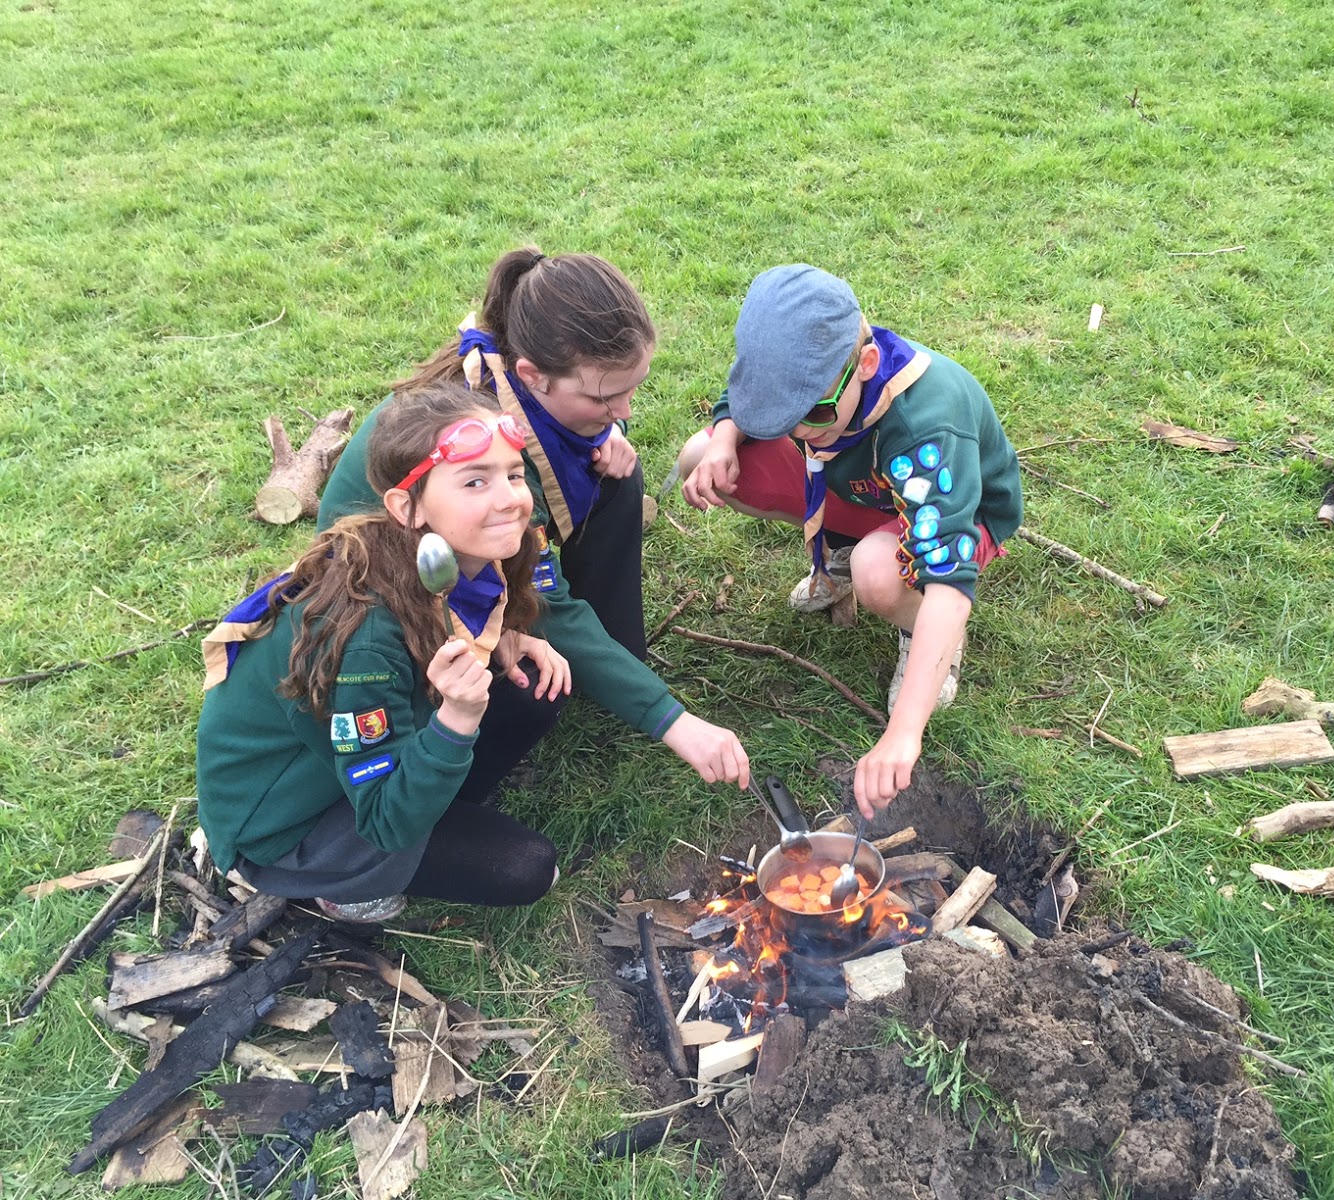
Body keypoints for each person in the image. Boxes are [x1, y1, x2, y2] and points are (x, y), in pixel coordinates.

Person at [318, 245, 750, 791]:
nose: (628, 410)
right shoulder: (495, 456)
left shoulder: (516, 383)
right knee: (528, 694)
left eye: (631, 389)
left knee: (618, 473)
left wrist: (602, 430)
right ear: (533, 376)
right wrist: (675, 722)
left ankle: (617, 661)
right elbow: (552, 605)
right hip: (398, 595)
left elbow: (581, 429)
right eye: (606, 397)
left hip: (466, 546)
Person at [198, 385, 574, 921]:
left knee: (535, 682)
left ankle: (442, 798)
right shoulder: (363, 637)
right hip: (292, 817)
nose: (510, 498)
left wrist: (508, 637)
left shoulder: (450, 555)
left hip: (363, 756)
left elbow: (460, 622)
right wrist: (458, 720)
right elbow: (382, 819)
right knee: (527, 867)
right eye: (475, 481)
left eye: (513, 474)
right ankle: (337, 884)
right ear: (407, 506)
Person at [677, 265, 1022, 819]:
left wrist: (904, 734)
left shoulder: (924, 426)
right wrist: (726, 437)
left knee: (880, 574)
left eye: (809, 412)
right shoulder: (809, 389)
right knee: (703, 457)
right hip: (868, 492)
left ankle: (926, 637)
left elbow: (951, 582)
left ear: (864, 364)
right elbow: (755, 402)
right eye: (781, 415)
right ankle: (838, 547)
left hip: (958, 513)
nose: (796, 430)